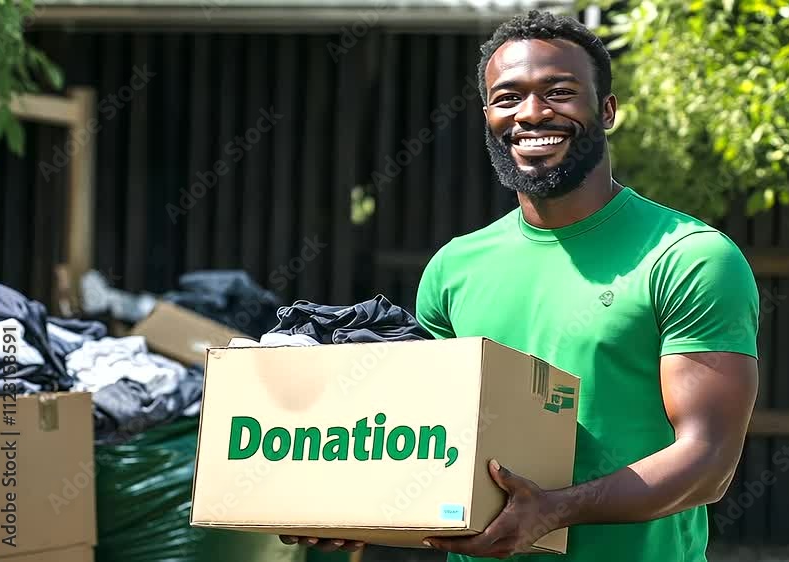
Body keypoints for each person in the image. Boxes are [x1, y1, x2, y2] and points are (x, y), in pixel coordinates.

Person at [280, 9, 760, 561]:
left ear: (606, 110)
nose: (532, 113)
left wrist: (555, 510)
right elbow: (427, 448)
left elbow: (709, 461)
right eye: (508, 98)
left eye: (559, 93)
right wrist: (353, 510)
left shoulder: (689, 258)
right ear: (488, 115)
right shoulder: (455, 268)